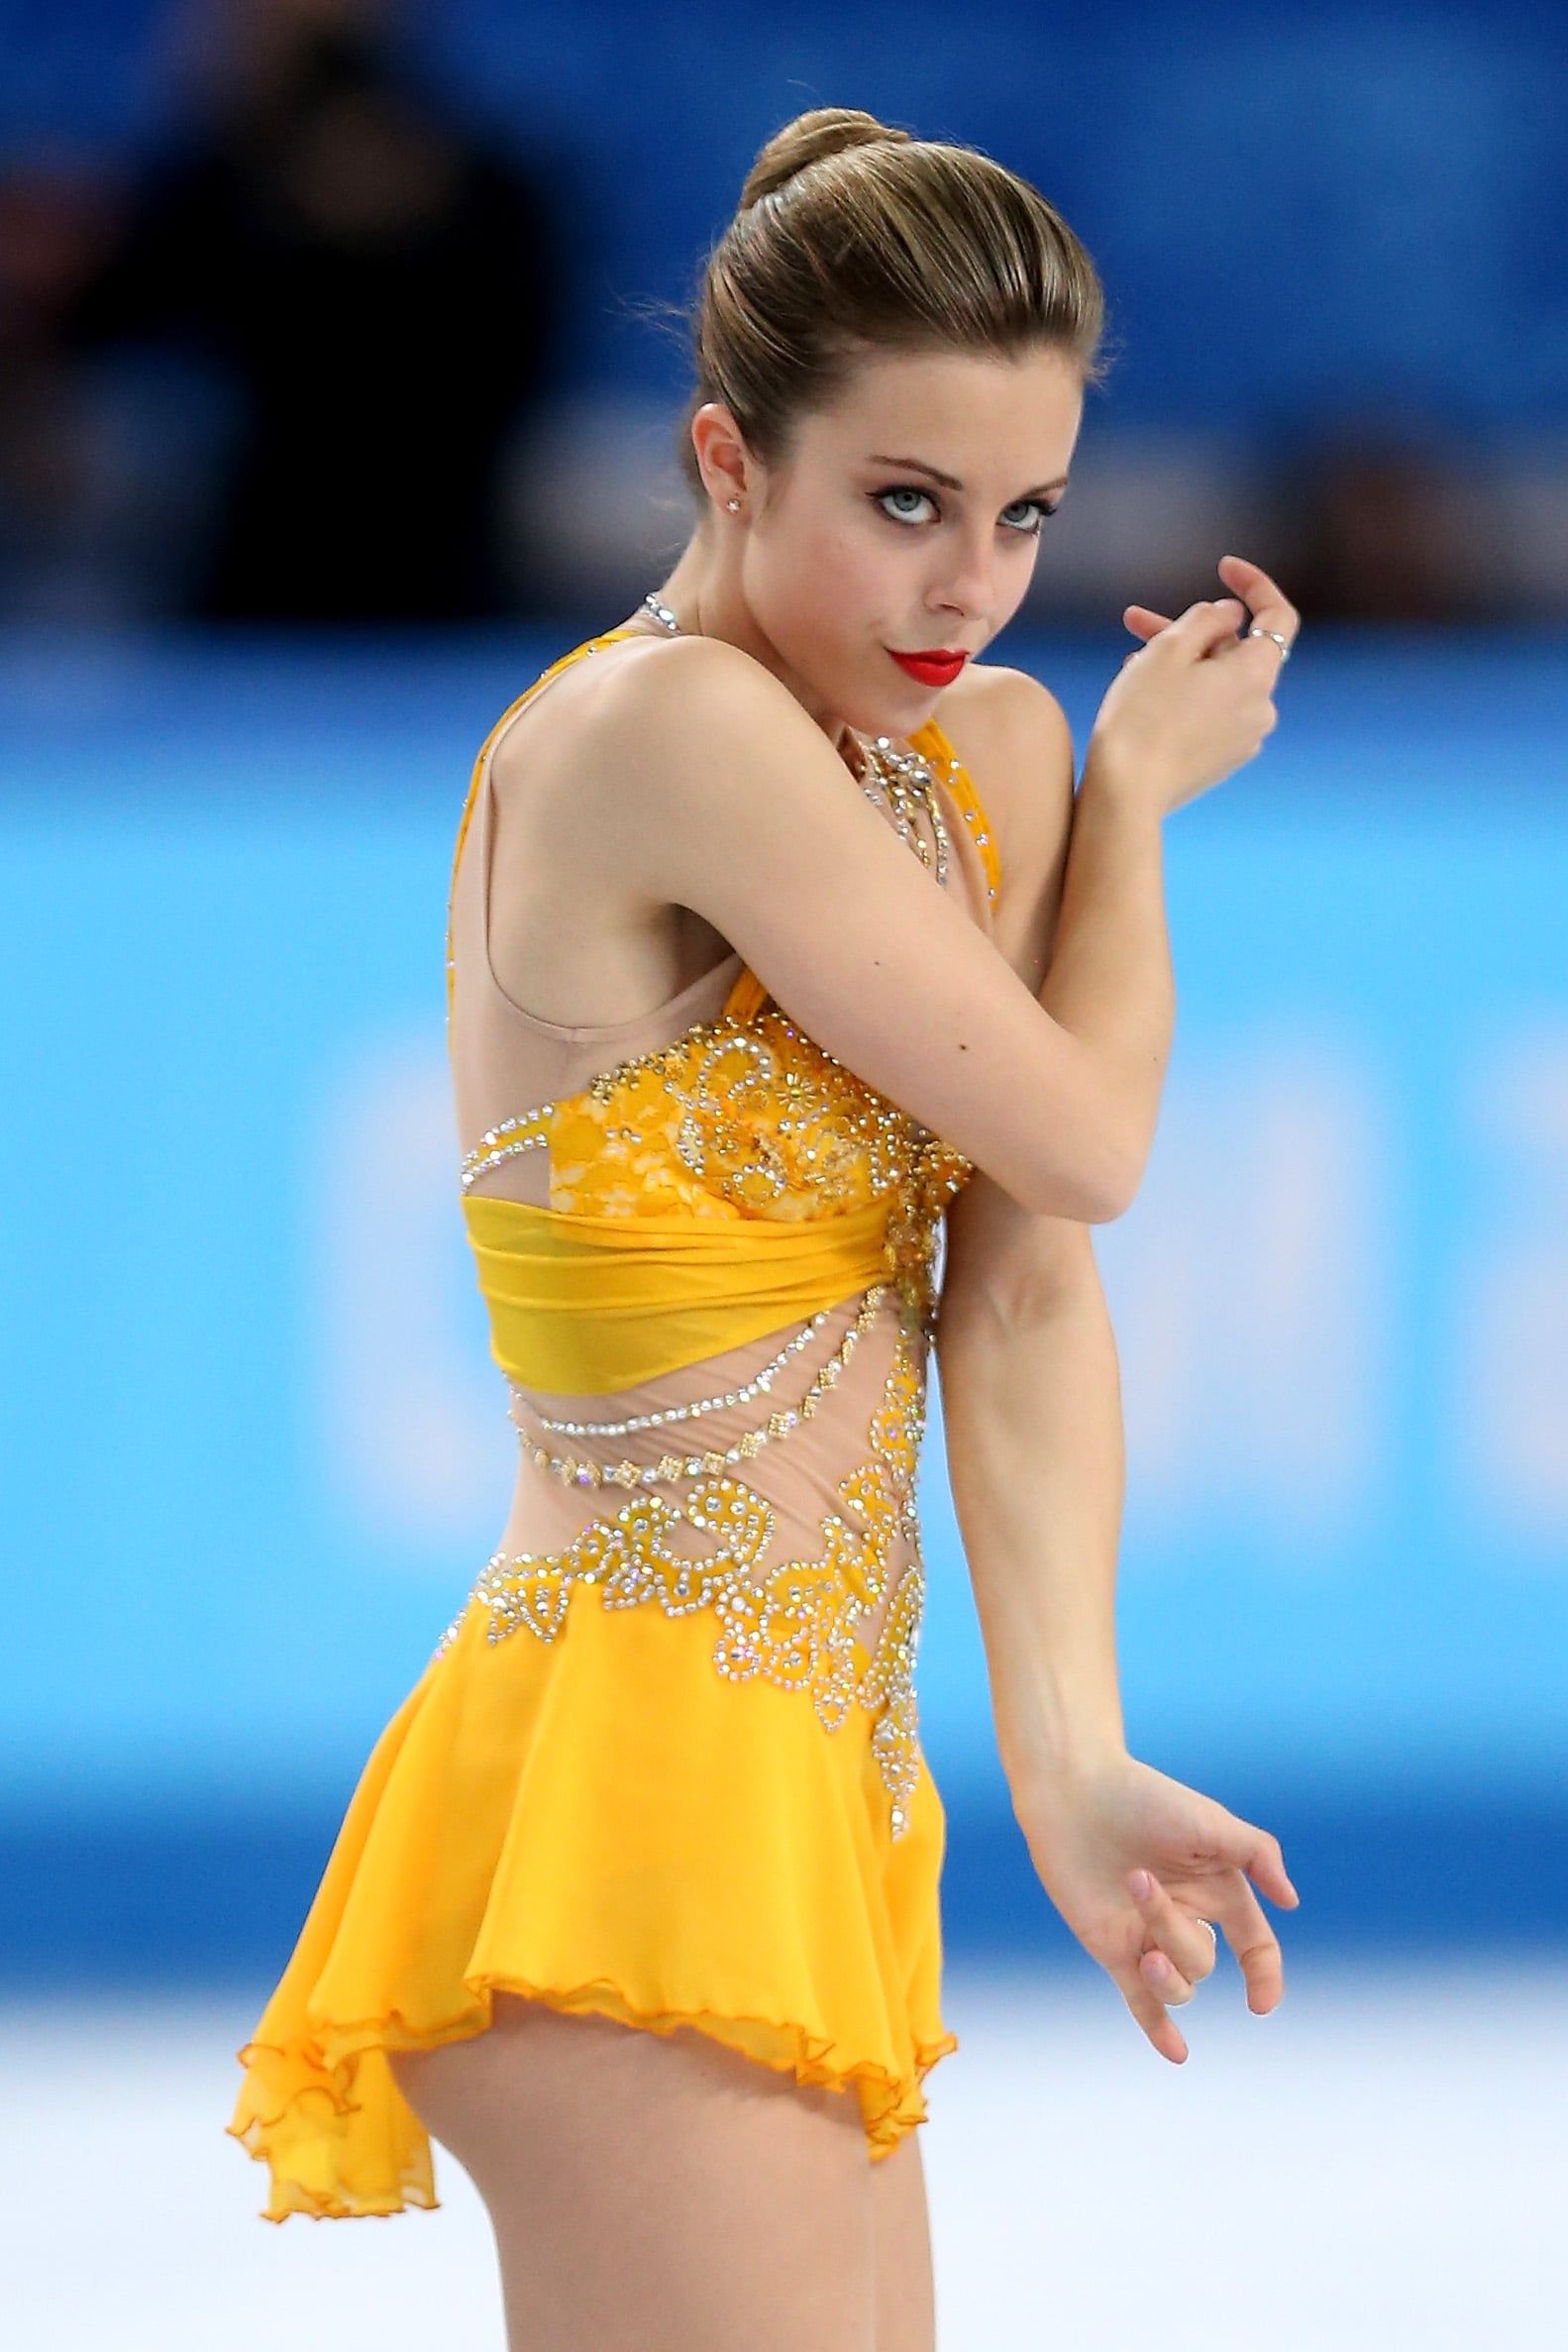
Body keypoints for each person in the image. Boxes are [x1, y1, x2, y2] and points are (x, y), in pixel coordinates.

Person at [228, 106, 1301, 2351]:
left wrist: (1073, 1750)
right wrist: (1139, 809)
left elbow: (1018, 1278)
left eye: (1022, 516)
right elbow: (1093, 1137)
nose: (968, 587)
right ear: (730, 459)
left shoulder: (974, 754)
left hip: (815, 1801)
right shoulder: (663, 730)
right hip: (621, 1799)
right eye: (901, 502)